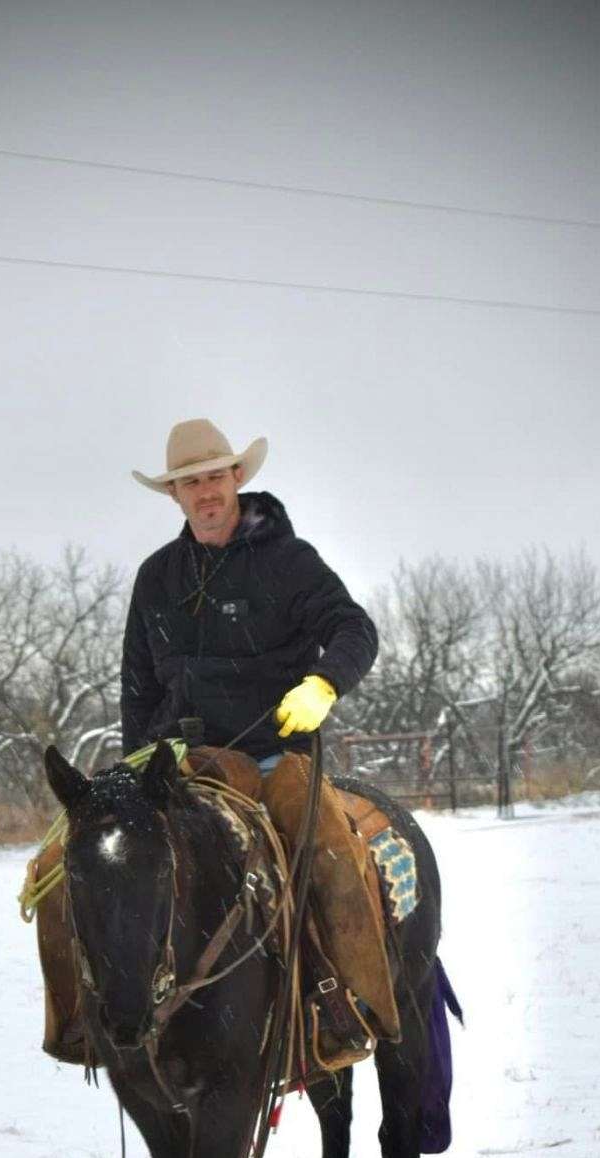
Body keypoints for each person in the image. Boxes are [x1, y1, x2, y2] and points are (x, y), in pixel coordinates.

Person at [120, 419, 397, 1057]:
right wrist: (137, 769)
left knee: (326, 853)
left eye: (215, 476)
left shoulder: (289, 562)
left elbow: (354, 627)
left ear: (238, 478)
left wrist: (323, 684)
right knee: (94, 864)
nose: (205, 492)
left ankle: (351, 1002)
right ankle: (103, 1020)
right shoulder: (156, 578)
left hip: (275, 758)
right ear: (174, 495)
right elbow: (137, 688)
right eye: (190, 482)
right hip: (181, 765)